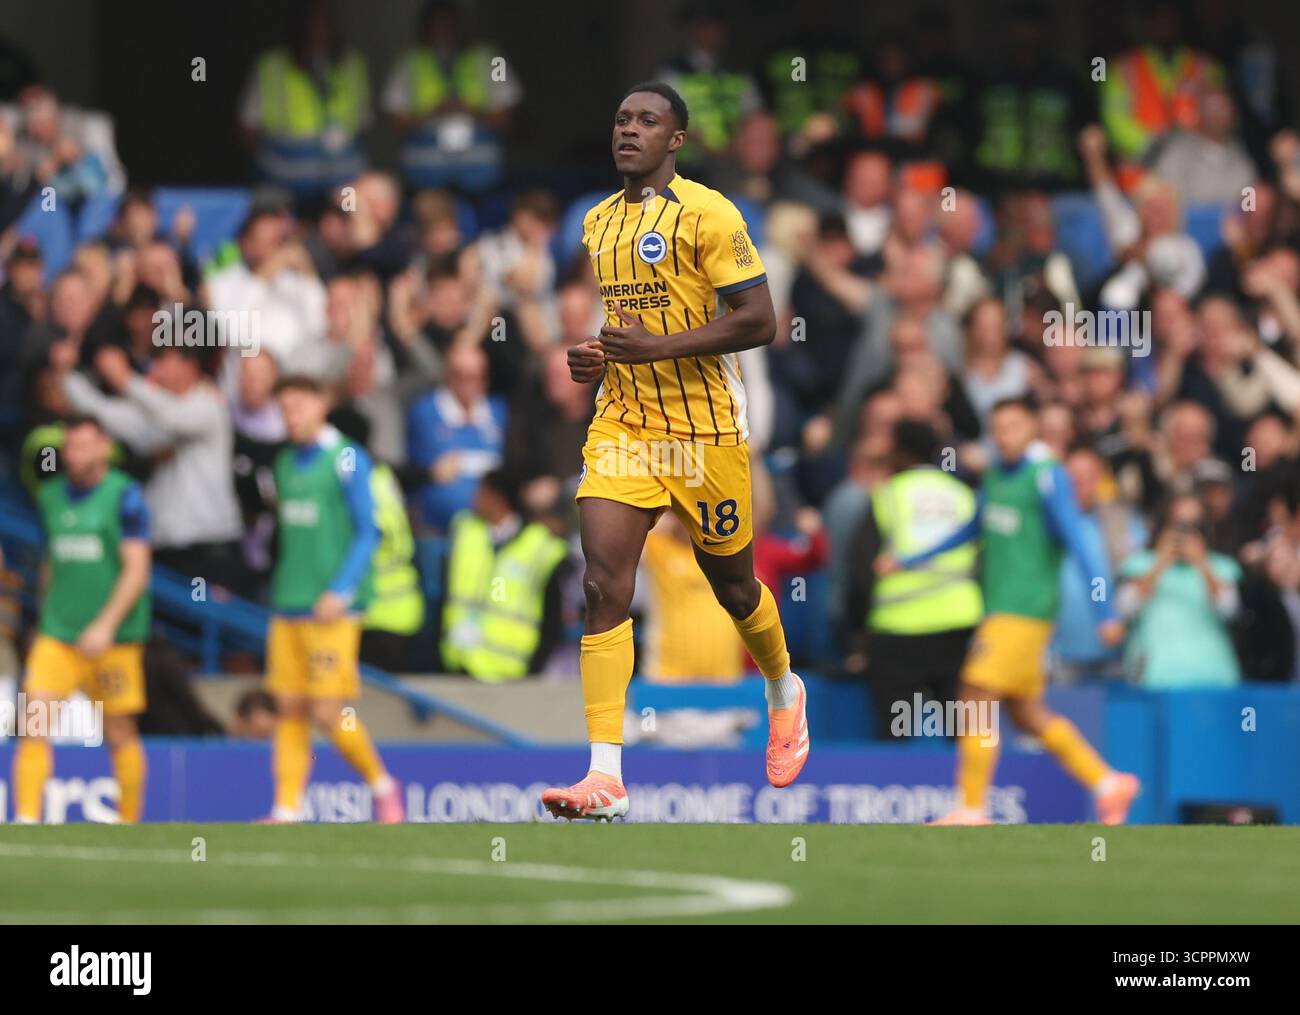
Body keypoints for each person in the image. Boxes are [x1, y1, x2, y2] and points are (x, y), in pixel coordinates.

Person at [540, 82, 805, 822]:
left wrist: (659, 347)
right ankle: (605, 774)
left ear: (676, 141)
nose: (630, 130)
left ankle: (784, 686)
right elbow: (626, 323)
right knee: (603, 585)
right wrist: (599, 358)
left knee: (735, 586)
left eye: (648, 121)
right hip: (625, 424)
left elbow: (759, 320)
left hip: (704, 430)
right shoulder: (596, 224)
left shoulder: (712, 213)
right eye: (622, 118)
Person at [879, 397, 1141, 825]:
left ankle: (972, 807)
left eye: (1014, 427)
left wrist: (1105, 612)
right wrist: (910, 559)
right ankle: (1109, 783)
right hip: (1001, 611)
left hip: (1024, 613)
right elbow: (971, 529)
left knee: (973, 696)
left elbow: (1080, 544)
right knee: (1027, 714)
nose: (1005, 437)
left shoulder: (1047, 478)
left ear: (1032, 428)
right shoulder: (996, 477)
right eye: (998, 429)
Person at [262, 375, 403, 823]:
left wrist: (341, 590)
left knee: (327, 710)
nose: (292, 416)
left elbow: (369, 530)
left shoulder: (346, 458)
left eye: (300, 405)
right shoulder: (283, 463)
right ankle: (287, 808)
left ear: (321, 403)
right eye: (285, 409)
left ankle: (382, 785)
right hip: (290, 602)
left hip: (334, 608)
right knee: (289, 707)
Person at [11, 416, 152, 823]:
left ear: (105, 448)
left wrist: (105, 625)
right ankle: (25, 820)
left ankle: (129, 824)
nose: (76, 455)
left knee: (120, 731)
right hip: (57, 634)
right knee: (34, 722)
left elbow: (137, 569)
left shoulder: (127, 497)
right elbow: (51, 563)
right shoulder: (51, 497)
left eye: (87, 445)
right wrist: (43, 615)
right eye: (71, 447)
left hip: (115, 638)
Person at [846, 420, 982, 739]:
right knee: (965, 735)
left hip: (898, 634)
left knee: (894, 736)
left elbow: (861, 574)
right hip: (959, 627)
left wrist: (856, 633)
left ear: (899, 452)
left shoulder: (887, 496)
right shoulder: (965, 496)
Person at [440, 469, 569, 681]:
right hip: (459, 663)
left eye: (482, 492)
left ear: (499, 498)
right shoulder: (466, 531)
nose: (475, 499)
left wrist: (534, 669)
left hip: (511, 672)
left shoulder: (541, 547)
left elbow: (552, 618)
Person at [1116, 493, 1242, 688]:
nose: (1186, 533)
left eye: (1195, 526)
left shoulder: (1222, 566)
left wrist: (1202, 563)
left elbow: (1229, 609)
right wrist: (1160, 563)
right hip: (1156, 679)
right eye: (1179, 525)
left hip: (1214, 678)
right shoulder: (1139, 563)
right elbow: (1125, 608)